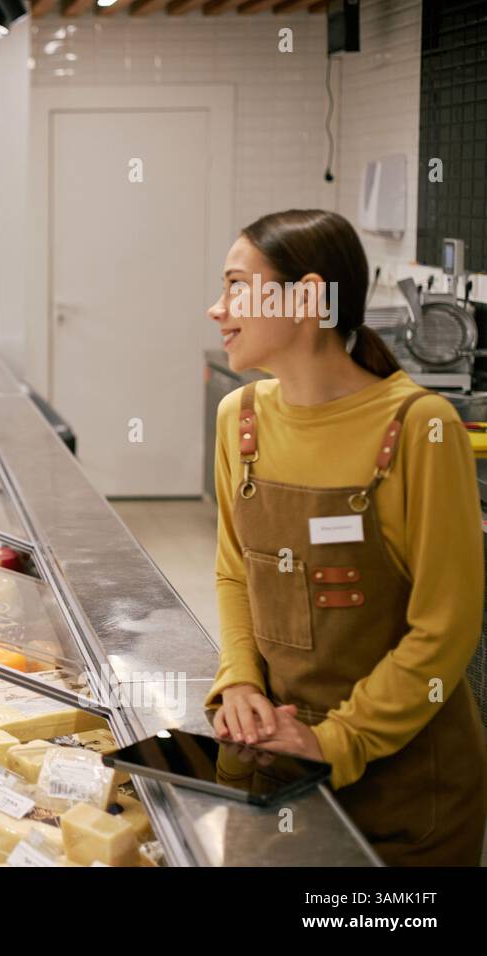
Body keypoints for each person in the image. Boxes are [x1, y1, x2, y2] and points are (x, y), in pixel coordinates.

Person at [205, 208, 485, 865]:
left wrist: (342, 740)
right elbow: (235, 573)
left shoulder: (421, 426)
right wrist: (241, 683)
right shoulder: (238, 418)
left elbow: (446, 625)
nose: (216, 308)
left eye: (236, 285)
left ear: (306, 298)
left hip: (407, 795)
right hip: (276, 767)